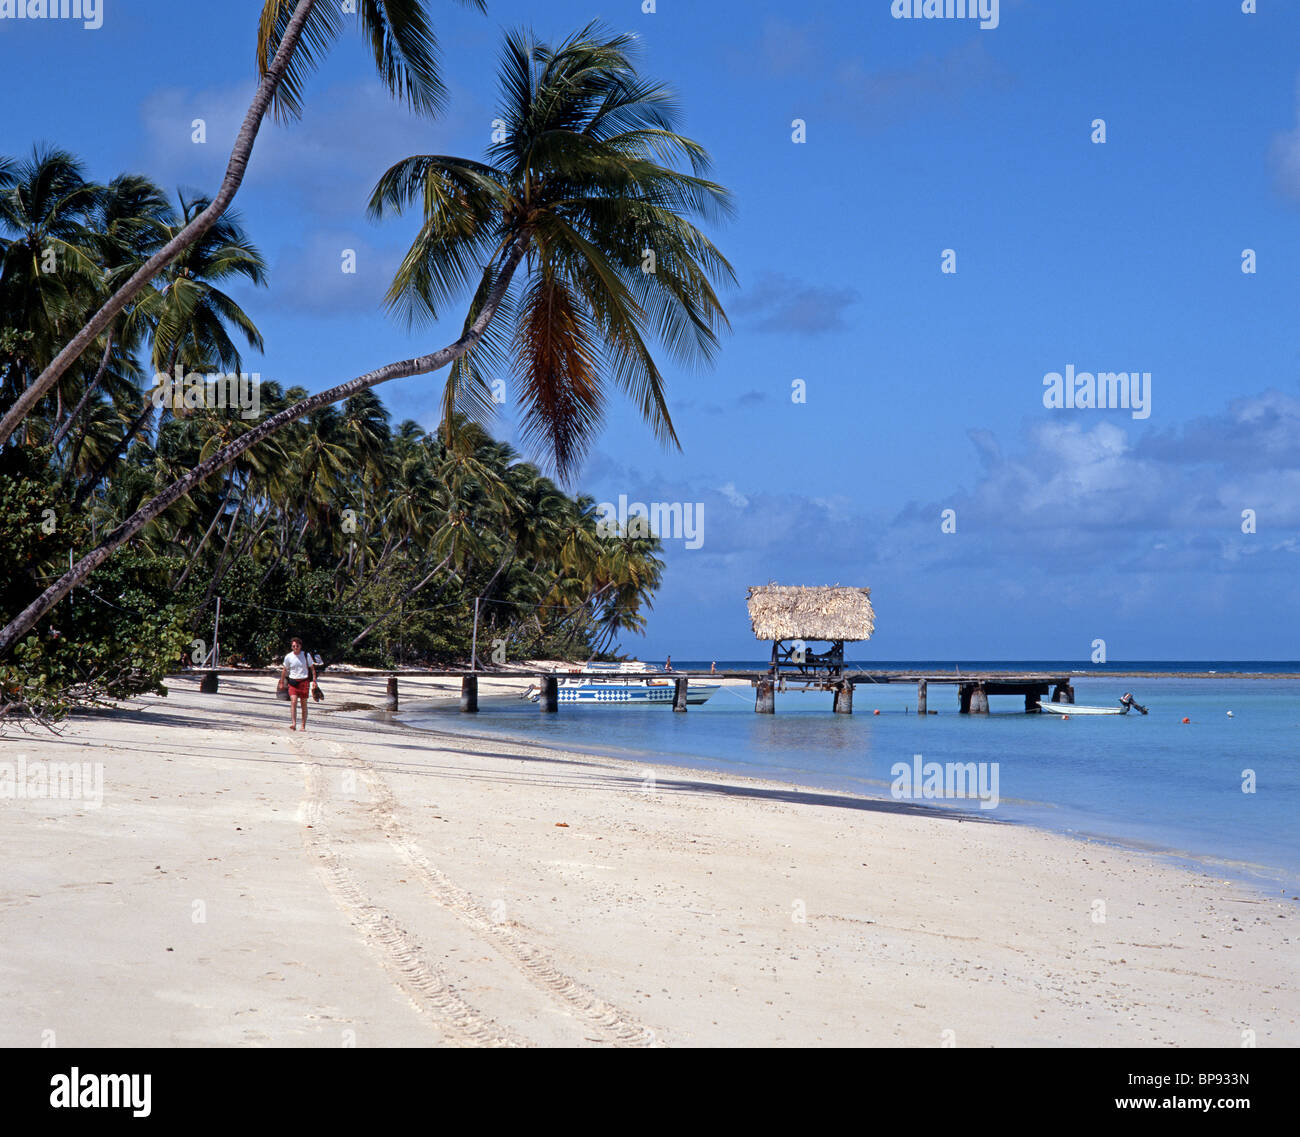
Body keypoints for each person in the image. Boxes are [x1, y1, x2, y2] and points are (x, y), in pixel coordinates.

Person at [281, 637, 317, 731]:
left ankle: (303, 726)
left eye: (297, 646)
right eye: (293, 646)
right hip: (293, 682)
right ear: (291, 647)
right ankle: (293, 723)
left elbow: (312, 668)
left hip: (304, 682)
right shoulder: (288, 656)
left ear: (300, 646)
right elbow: (284, 670)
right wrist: (281, 682)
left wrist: (314, 681)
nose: (295, 648)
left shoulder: (306, 655)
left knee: (303, 704)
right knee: (293, 702)